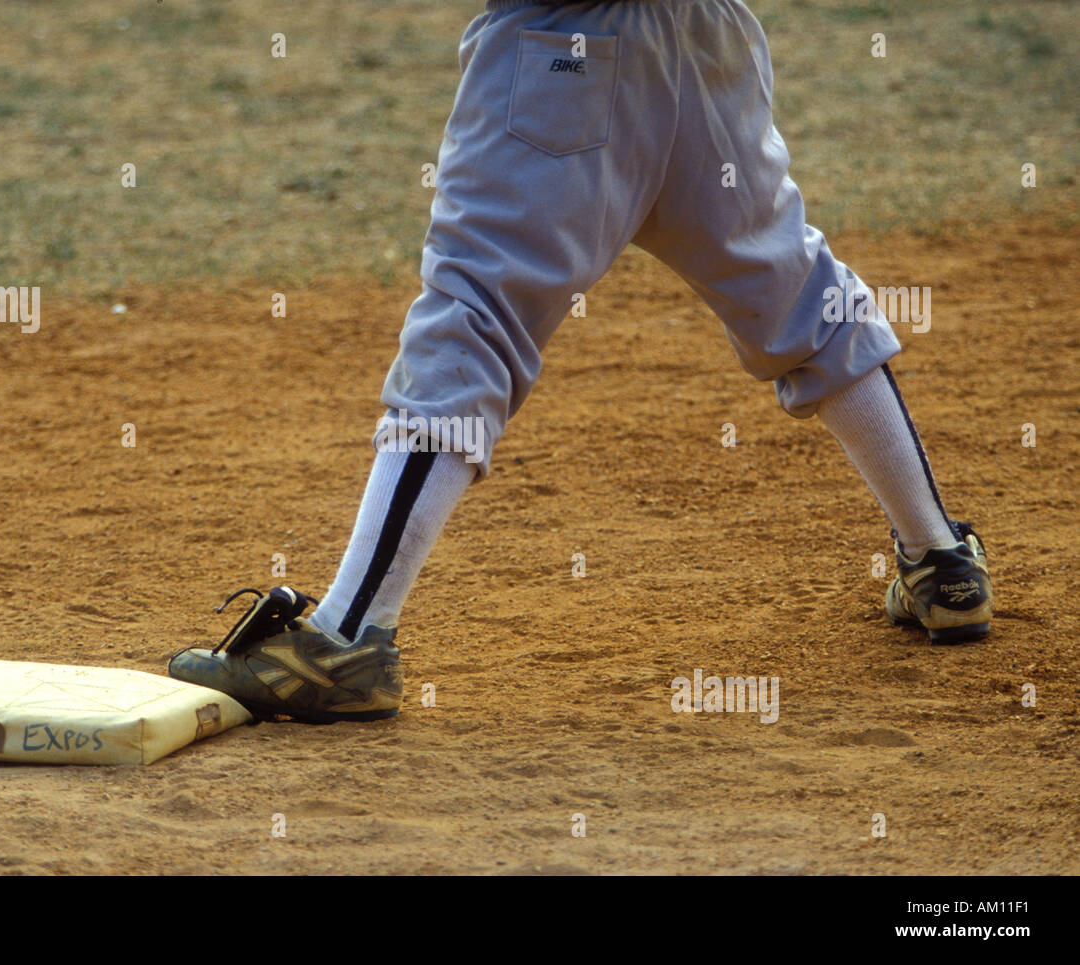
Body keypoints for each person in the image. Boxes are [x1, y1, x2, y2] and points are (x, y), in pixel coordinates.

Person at [169, 0, 993, 722]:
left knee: (474, 318)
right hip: (705, 37)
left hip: (564, 48)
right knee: (798, 294)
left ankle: (346, 637)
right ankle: (940, 559)